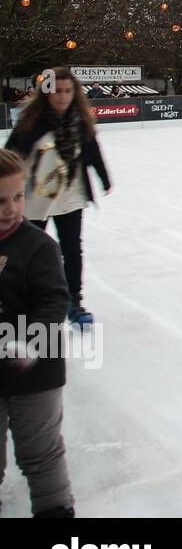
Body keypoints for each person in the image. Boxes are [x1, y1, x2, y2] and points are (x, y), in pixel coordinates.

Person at [0, 149, 76, 517]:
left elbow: (53, 303)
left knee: (41, 455)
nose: (11, 208)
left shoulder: (40, 247)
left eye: (17, 197)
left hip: (36, 372)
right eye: (0, 200)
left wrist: (29, 341)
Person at [4, 68, 111, 327]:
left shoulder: (80, 122)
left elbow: (93, 152)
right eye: (56, 91)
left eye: (67, 91)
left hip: (70, 195)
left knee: (72, 249)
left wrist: (104, 178)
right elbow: (10, 156)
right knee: (27, 250)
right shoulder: (32, 123)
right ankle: (20, 301)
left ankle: (74, 300)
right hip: (34, 198)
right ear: (46, 93)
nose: (62, 97)